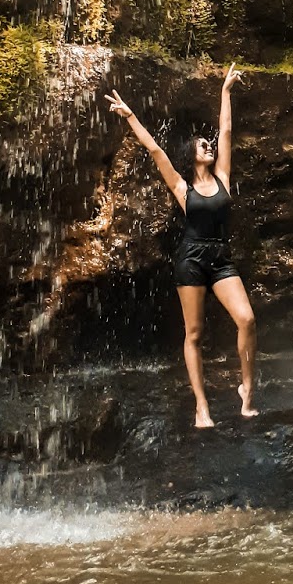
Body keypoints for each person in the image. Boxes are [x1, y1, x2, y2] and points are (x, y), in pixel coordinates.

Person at [105, 65, 257, 427]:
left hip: (220, 258)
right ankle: (201, 406)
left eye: (209, 144)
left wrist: (225, 91)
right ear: (192, 155)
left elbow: (226, 130)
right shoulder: (181, 188)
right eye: (203, 145)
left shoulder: (223, 177)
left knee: (247, 319)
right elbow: (155, 149)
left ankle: (248, 390)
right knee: (194, 334)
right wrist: (130, 116)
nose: (209, 145)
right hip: (191, 260)